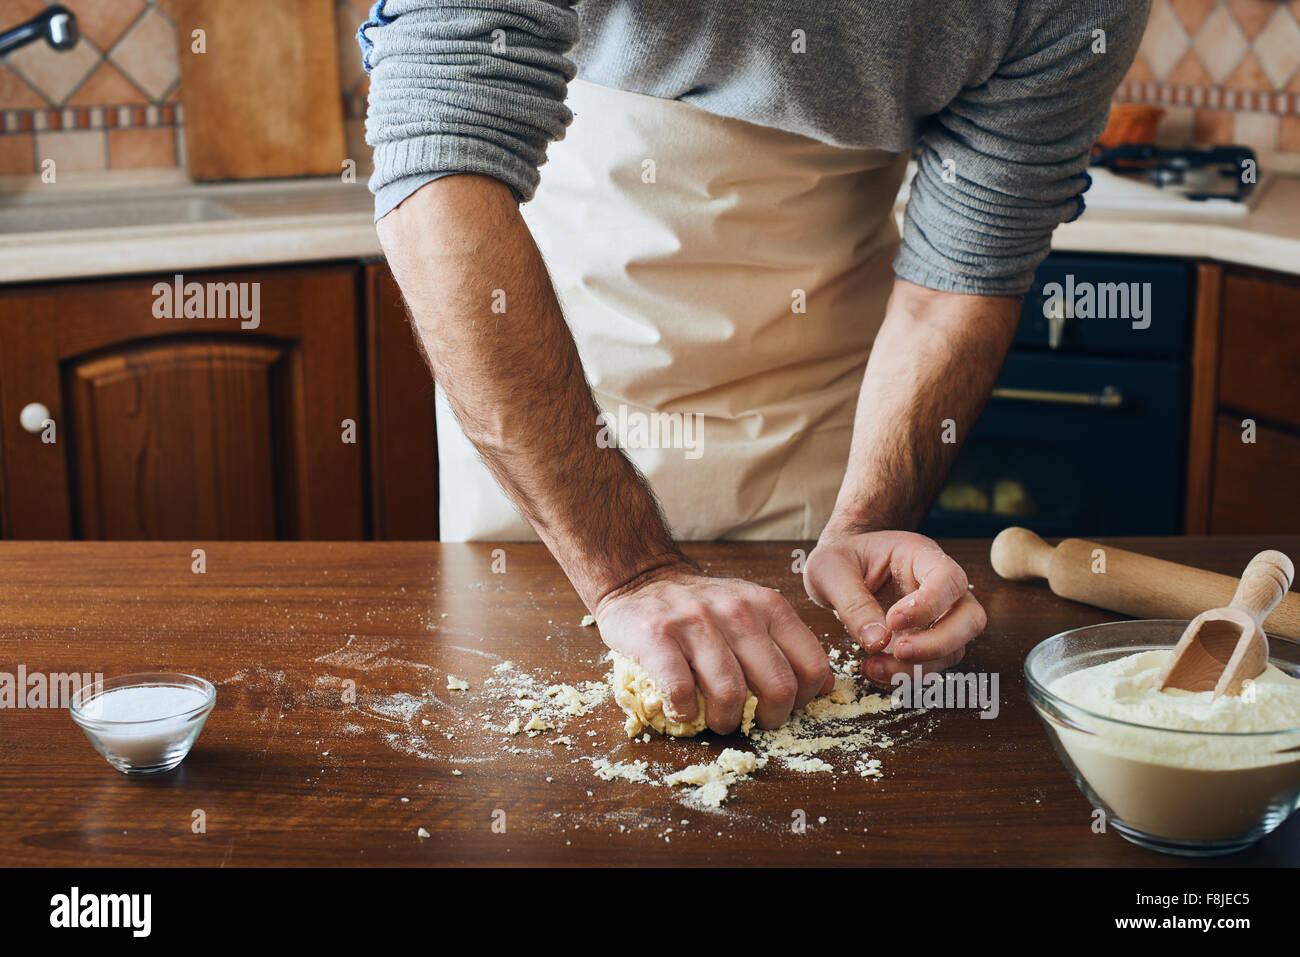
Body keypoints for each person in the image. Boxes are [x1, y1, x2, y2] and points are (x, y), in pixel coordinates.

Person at [359, 1, 1148, 734]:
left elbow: (958, 281)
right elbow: (437, 160)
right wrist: (628, 575)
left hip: (817, 414)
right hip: (548, 409)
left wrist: (867, 522)